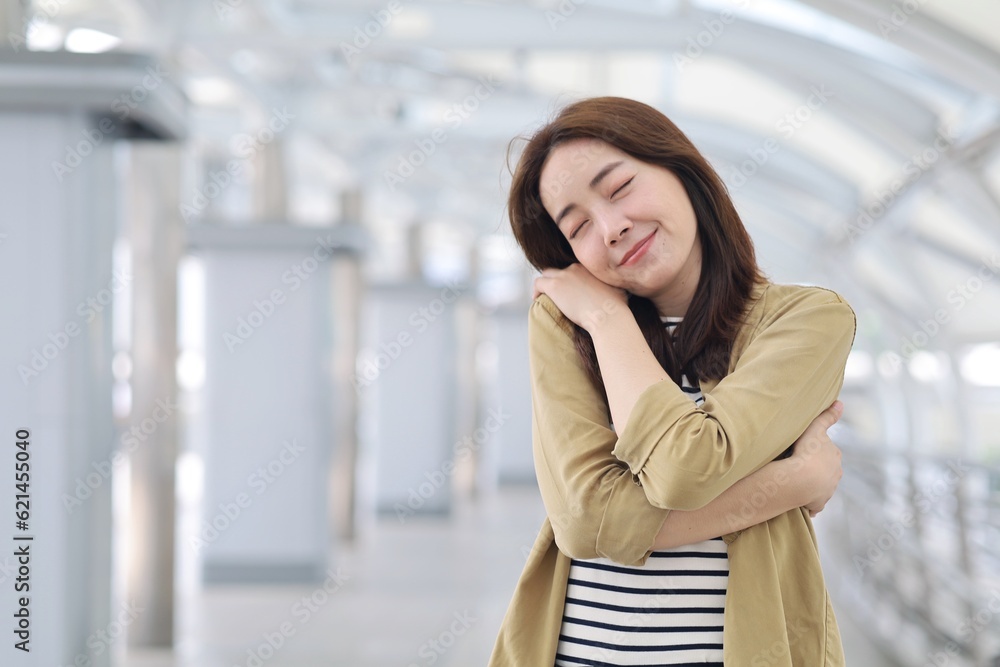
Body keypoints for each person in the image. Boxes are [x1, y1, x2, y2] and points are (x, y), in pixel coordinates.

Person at [487, 97, 857, 667]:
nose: (610, 228)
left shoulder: (807, 319)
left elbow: (687, 468)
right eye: (579, 225)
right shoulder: (568, 320)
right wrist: (792, 482)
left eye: (619, 189)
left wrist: (608, 322)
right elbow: (584, 522)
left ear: (684, 172)